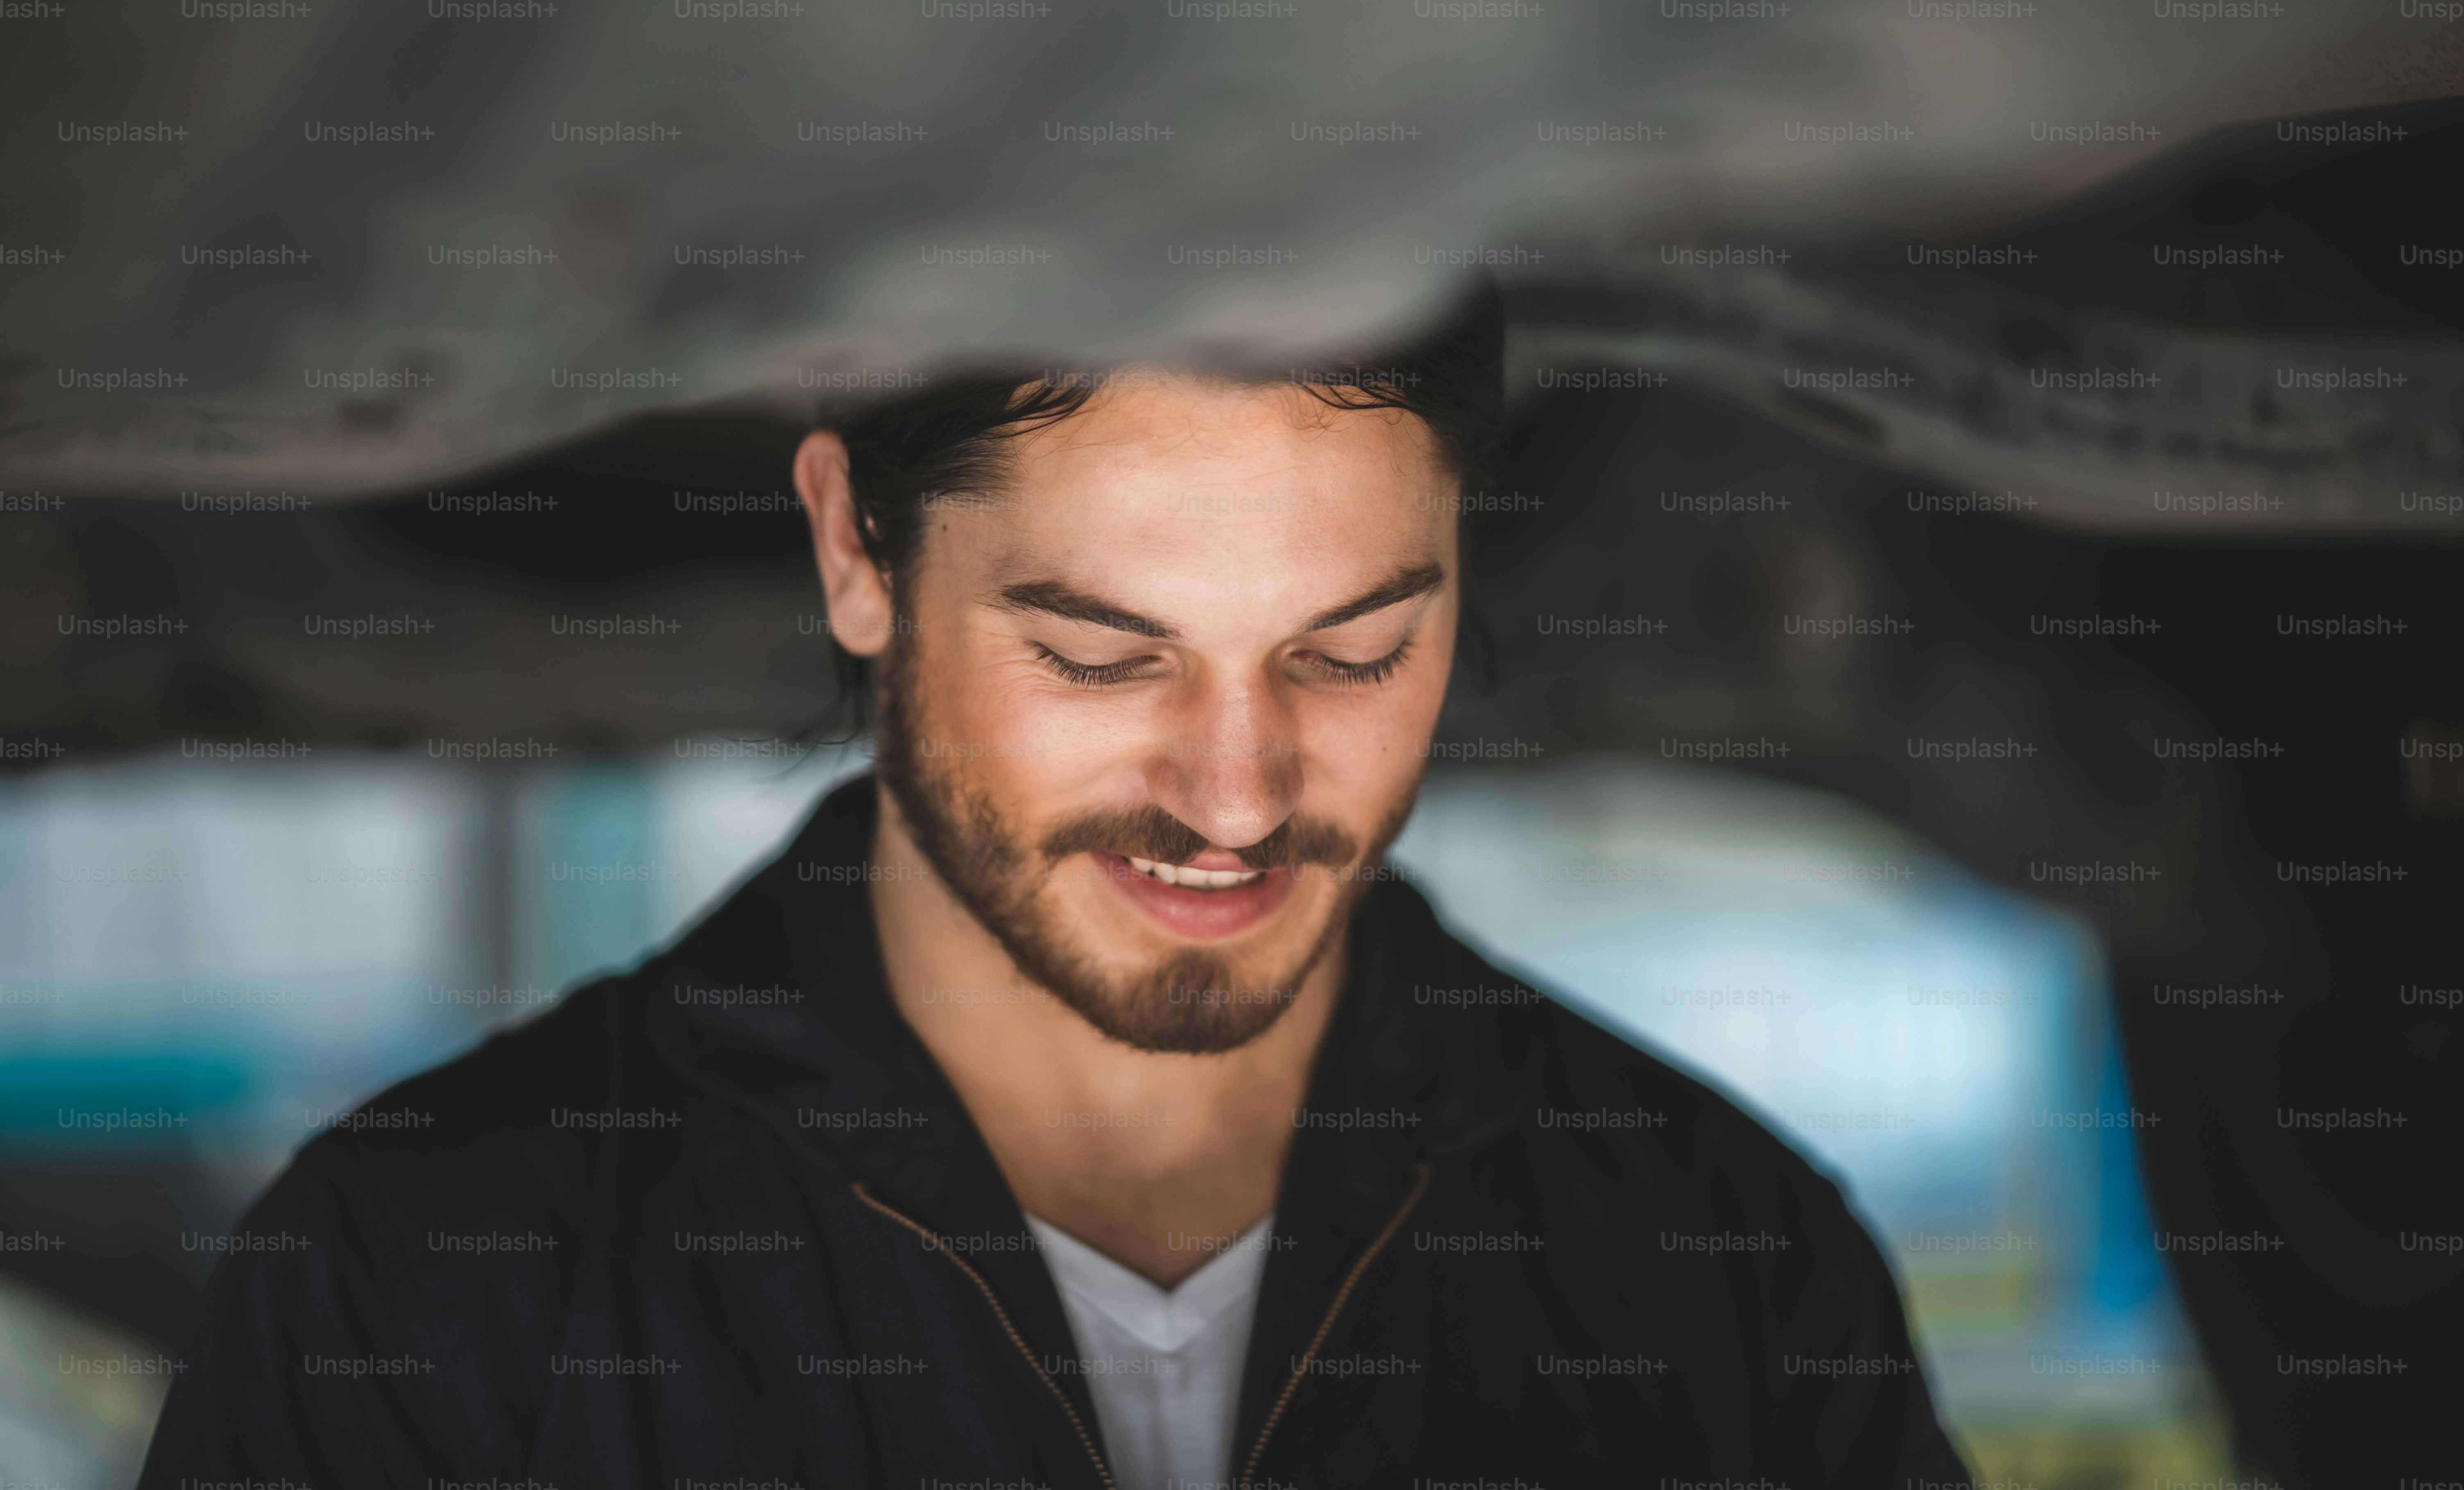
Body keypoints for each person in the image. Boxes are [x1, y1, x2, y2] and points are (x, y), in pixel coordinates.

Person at [139, 288, 1971, 1490]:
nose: (1235, 793)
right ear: (856, 549)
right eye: (1102, 656)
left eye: (1352, 651)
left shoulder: (1722, 1265)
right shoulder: (424, 1283)